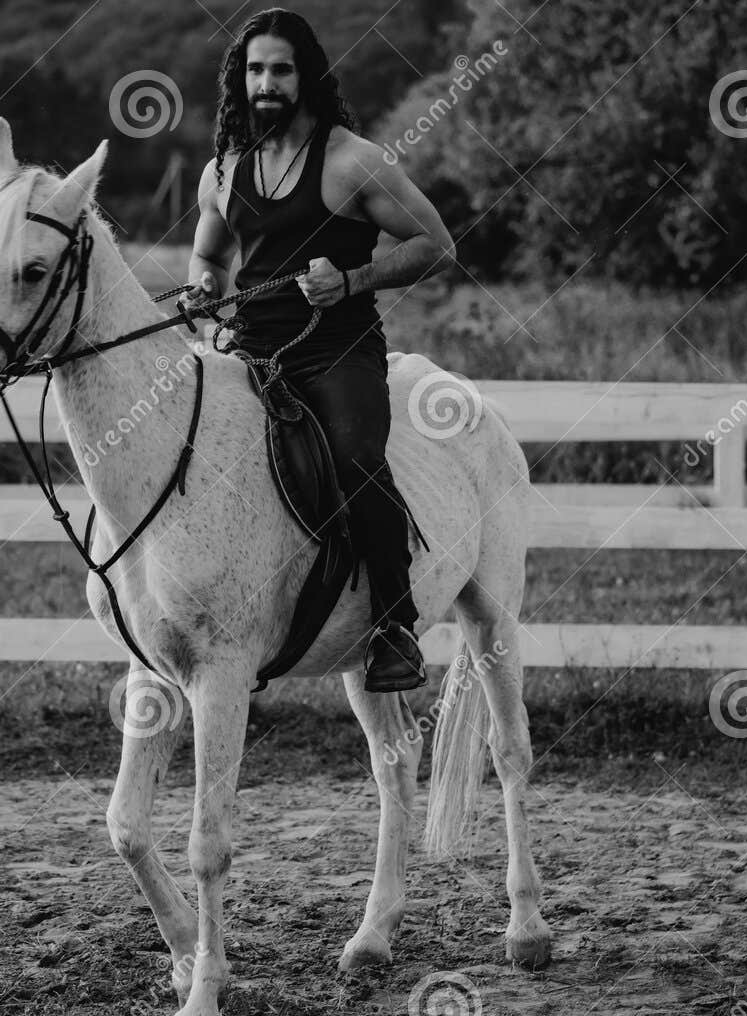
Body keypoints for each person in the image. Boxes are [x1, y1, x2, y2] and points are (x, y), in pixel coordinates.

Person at [184, 7, 457, 692]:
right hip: (249, 353)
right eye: (254, 70)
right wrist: (200, 292)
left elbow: (436, 244)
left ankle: (394, 627)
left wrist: (354, 280)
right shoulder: (224, 170)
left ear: (306, 75)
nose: (266, 83)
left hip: (337, 354)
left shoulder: (354, 163)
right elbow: (208, 257)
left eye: (280, 69)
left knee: (357, 459)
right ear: (240, 79)